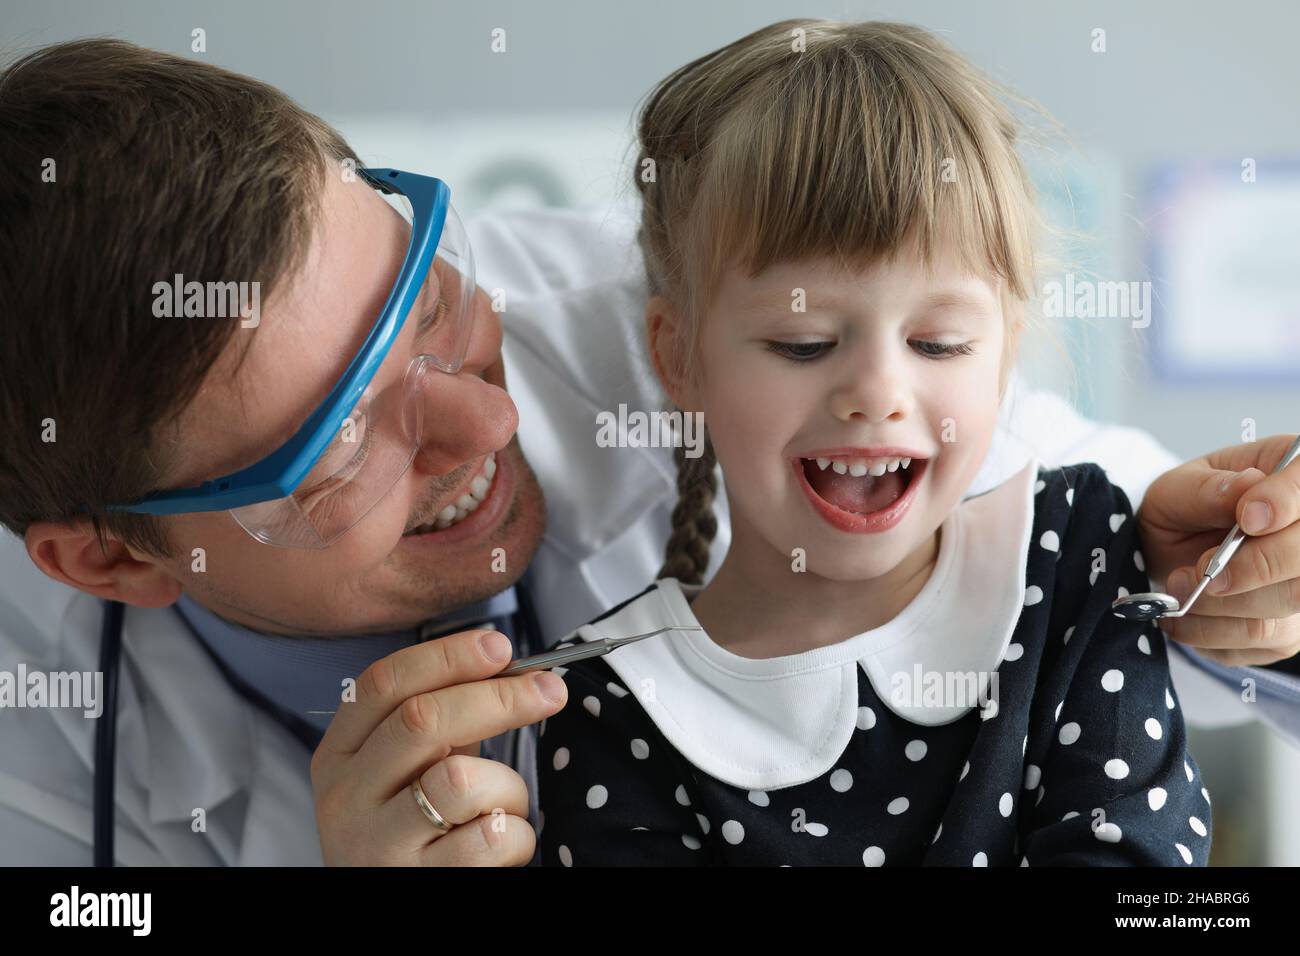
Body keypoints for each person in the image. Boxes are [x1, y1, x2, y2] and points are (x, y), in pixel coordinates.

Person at [0, 36, 1295, 867]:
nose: (485, 422)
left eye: (431, 307)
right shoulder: (36, 732)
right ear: (112, 557)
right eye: (336, 452)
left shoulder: (707, 302)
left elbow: (1092, 559)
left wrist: (1259, 587)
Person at [536, 19, 1212, 866]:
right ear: (679, 357)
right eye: (804, 343)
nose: (877, 396)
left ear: (1002, 355)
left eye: (938, 344)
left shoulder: (1069, 554)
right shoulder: (608, 699)